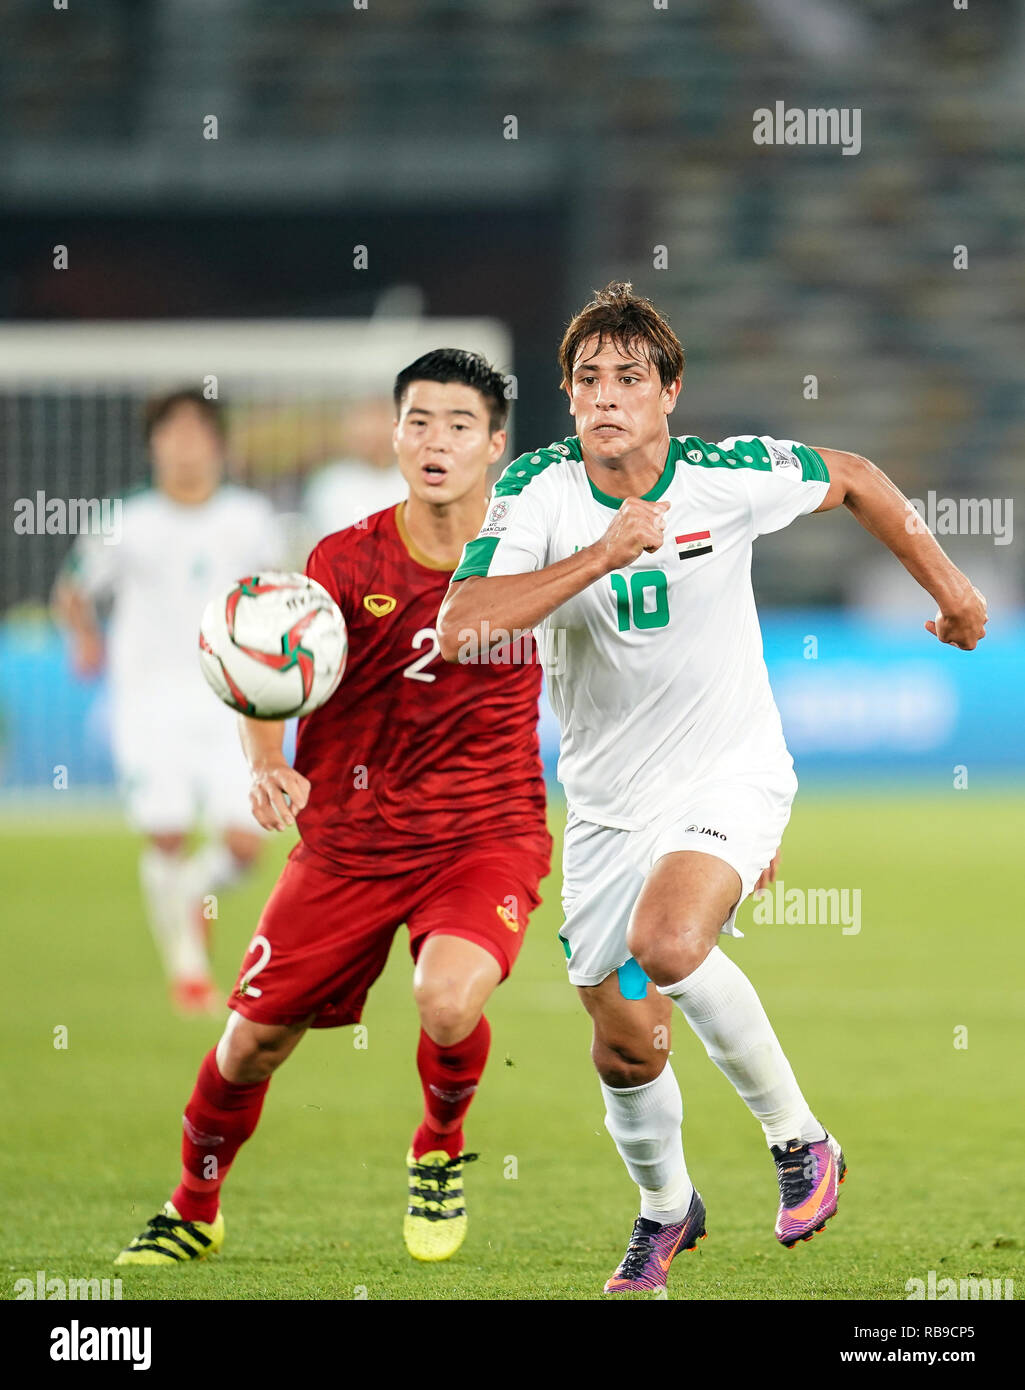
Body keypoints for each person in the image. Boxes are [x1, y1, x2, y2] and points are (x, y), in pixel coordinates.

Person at [438, 282, 988, 1297]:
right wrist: (598, 554)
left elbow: (857, 476)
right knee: (623, 1041)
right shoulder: (538, 490)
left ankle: (800, 1140)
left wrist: (948, 590)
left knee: (669, 943)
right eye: (587, 380)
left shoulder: (727, 474)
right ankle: (665, 1210)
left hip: (726, 768)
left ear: (668, 393)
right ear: (566, 398)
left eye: (628, 379)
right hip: (605, 806)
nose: (606, 397)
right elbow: (462, 625)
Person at [114, 349, 551, 1268]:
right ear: (393, 435)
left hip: (484, 832)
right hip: (350, 842)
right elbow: (268, 670)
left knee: (446, 998)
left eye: (458, 425)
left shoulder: (534, 550)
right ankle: (194, 1205)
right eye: (418, 422)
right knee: (248, 1047)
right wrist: (268, 762)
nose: (435, 441)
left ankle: (437, 1147)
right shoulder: (343, 561)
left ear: (496, 445)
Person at [54, 390, 281, 1014]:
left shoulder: (249, 516)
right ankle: (187, 969)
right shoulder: (126, 519)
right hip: (148, 698)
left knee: (242, 846)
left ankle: (188, 901)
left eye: (196, 431)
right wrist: (85, 638)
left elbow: (277, 594)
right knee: (168, 830)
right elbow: (72, 590)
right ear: (153, 444)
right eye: (171, 433)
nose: (183, 445)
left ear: (218, 443)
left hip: (231, 697)